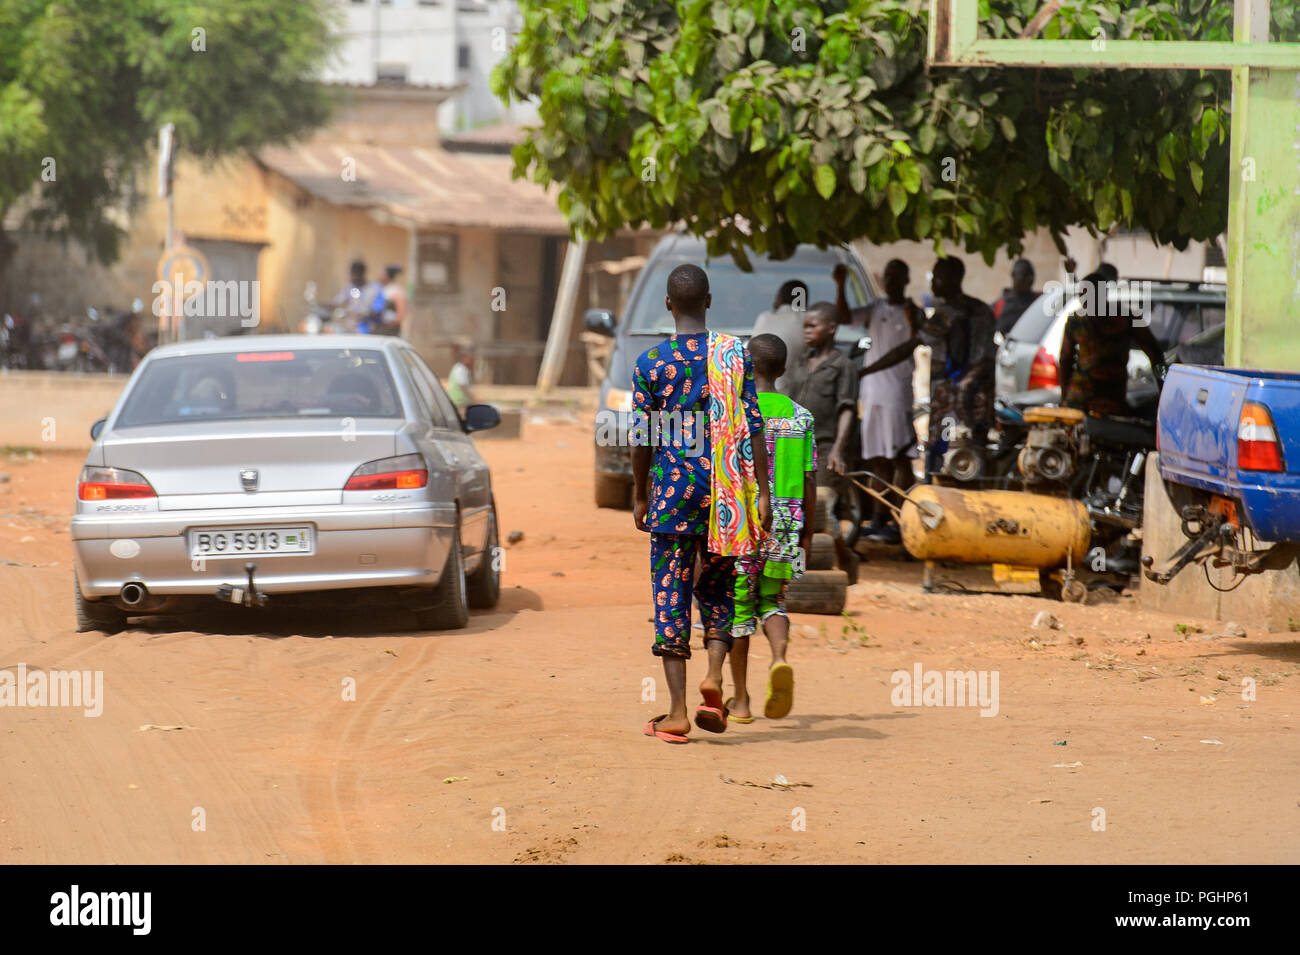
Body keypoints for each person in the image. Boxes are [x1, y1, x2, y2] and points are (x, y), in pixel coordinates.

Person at [631, 263, 772, 744]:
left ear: (668, 305)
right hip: (726, 492)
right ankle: (714, 675)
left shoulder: (650, 363)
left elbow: (643, 438)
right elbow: (754, 426)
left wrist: (638, 492)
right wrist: (764, 494)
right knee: (718, 589)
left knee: (671, 592)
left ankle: (675, 713)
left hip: (673, 492)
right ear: (708, 301)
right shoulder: (736, 354)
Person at [726, 334, 816, 723]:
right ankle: (779, 658)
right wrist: (808, 534)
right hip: (785, 524)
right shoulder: (801, 417)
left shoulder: (735, 415)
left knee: (739, 610)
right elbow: (810, 481)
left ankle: (742, 700)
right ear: (783, 370)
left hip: (742, 525)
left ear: (746, 366)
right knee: (774, 601)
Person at [859, 257, 995, 477]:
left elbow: (905, 349)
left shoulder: (946, 314)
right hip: (981, 401)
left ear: (953, 279)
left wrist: (866, 371)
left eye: (938, 277)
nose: (933, 283)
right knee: (974, 458)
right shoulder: (982, 310)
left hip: (950, 401)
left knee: (944, 460)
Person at [849, 259, 922, 544]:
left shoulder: (913, 312)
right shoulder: (875, 308)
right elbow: (844, 317)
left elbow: (910, 346)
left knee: (902, 458)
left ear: (905, 279)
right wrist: (842, 286)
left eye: (896, 277)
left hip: (898, 395)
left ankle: (903, 517)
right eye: (887, 276)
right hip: (872, 395)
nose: (890, 282)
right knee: (879, 460)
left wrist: (865, 370)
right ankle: (879, 517)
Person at [791, 302, 859, 582]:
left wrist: (839, 450)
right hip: (795, 448)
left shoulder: (843, 366)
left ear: (831, 329)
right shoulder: (799, 362)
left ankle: (845, 555)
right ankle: (797, 573)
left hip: (825, 449)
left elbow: (847, 408)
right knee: (794, 512)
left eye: (813, 326)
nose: (806, 331)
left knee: (822, 513)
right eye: (804, 325)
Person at [1059, 268, 1165, 417]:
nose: (1085, 304)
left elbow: (1155, 355)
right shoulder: (1078, 321)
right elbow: (1065, 359)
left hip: (1105, 402)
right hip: (1084, 402)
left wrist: (1164, 392)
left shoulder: (1126, 318)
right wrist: (1064, 399)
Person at [751, 279, 809, 397]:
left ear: (779, 298)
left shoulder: (764, 317)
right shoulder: (807, 320)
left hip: (758, 391)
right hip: (790, 394)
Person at [333, 259, 386, 333]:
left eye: (355, 274)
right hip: (349, 328)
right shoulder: (350, 287)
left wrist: (362, 316)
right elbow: (337, 302)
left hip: (369, 328)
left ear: (362, 273)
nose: (353, 277)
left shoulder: (375, 289)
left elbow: (377, 310)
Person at [993, 258, 1039, 337]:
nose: (1029, 280)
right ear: (1013, 275)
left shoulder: (1039, 303)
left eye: (1031, 276)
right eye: (1024, 275)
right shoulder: (998, 307)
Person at [380, 264, 408, 336]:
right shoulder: (382, 289)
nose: (380, 276)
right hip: (380, 330)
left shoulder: (396, 291)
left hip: (391, 331)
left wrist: (387, 326)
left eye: (382, 274)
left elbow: (401, 315)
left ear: (387, 276)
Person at [446, 344, 476, 410]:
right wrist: (474, 399)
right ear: (464, 358)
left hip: (460, 402)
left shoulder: (460, 368)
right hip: (459, 402)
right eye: (469, 357)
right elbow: (462, 386)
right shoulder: (461, 369)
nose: (472, 359)